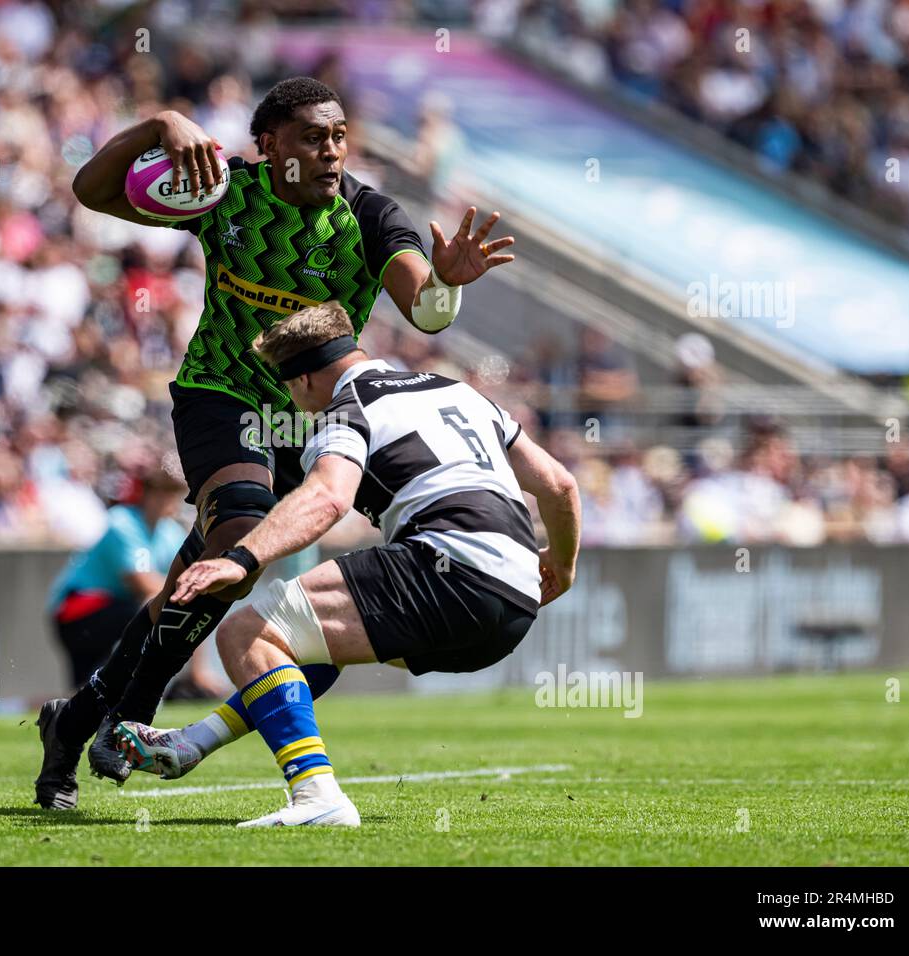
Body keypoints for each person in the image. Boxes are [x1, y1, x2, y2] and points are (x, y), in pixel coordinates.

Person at [33, 76, 518, 809]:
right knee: (237, 536)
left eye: (339, 136)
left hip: (303, 413)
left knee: (206, 575)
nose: (331, 151)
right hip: (220, 391)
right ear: (270, 145)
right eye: (312, 138)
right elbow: (92, 189)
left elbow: (422, 304)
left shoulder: (369, 214)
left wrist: (445, 287)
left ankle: (77, 720)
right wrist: (160, 124)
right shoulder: (223, 189)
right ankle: (132, 715)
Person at [113, 301, 581, 827]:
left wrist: (243, 558)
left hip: (450, 567)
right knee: (307, 644)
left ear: (307, 377)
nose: (295, 403)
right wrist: (560, 567)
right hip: (513, 606)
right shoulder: (458, 390)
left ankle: (317, 799)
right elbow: (559, 484)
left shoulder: (347, 409)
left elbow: (329, 498)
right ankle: (192, 743)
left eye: (289, 388)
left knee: (246, 632)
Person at [46, 466, 220, 697]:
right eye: (162, 491)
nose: (169, 499)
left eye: (174, 492)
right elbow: (143, 582)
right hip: (78, 610)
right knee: (158, 604)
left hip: (111, 611)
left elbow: (186, 592)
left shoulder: (169, 532)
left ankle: (14, 707)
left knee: (82, 695)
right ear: (145, 493)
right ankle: (140, 685)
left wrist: (199, 670)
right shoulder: (122, 522)